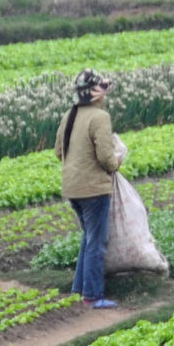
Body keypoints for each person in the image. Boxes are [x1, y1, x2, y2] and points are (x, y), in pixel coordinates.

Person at [56, 69, 123, 308]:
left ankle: (78, 289)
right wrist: (117, 162)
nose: (106, 95)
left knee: (89, 237)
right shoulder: (99, 117)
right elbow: (106, 157)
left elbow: (58, 151)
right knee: (97, 241)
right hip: (93, 189)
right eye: (103, 89)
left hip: (72, 188)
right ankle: (92, 295)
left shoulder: (70, 115)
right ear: (96, 94)